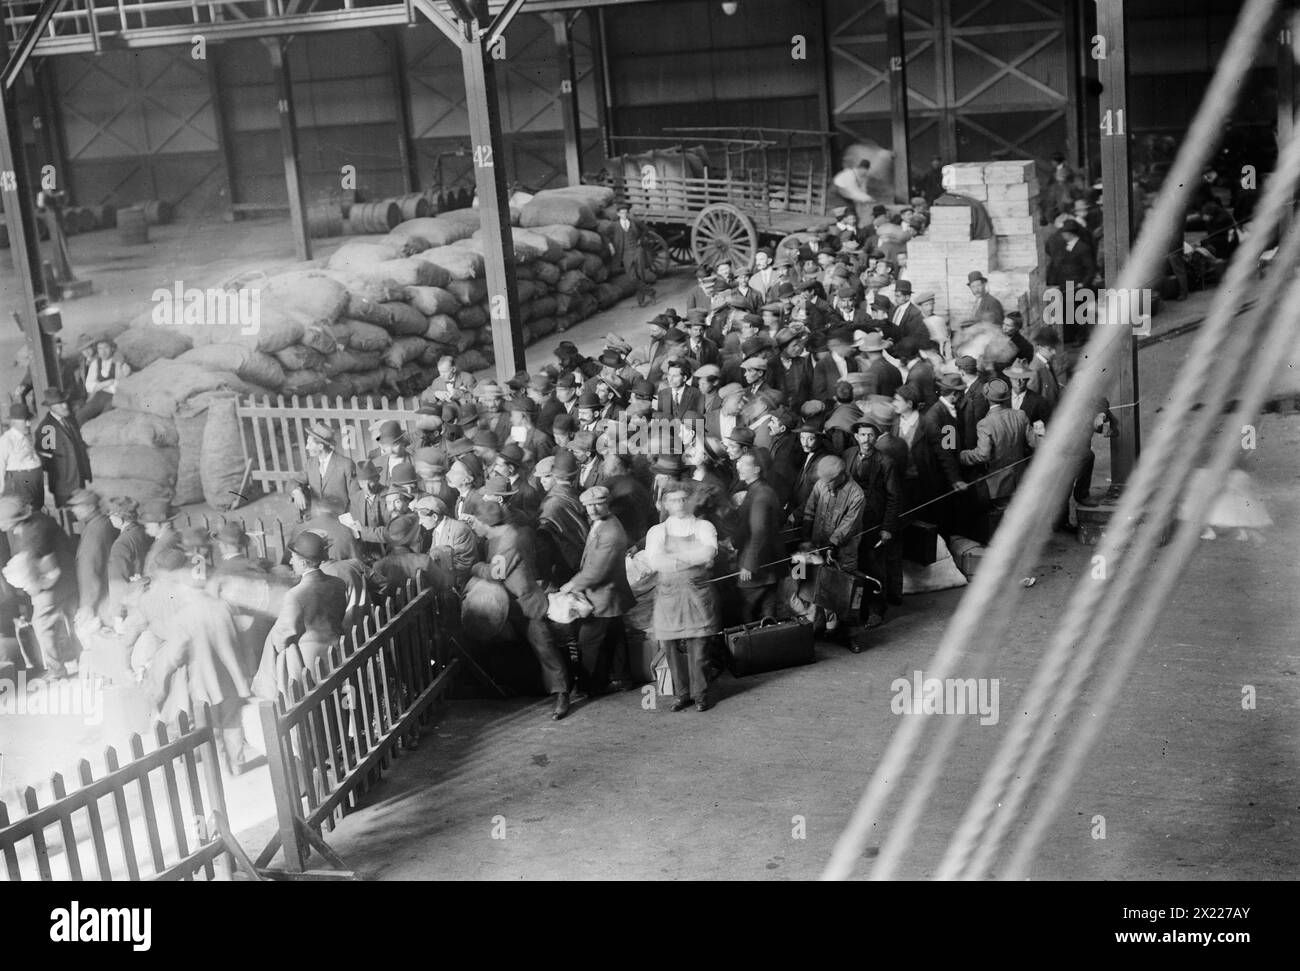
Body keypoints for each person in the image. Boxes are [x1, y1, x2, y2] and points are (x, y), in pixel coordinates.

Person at [469, 500, 571, 719]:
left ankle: (562, 694)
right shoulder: (496, 537)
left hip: (526, 602)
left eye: (474, 522)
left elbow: (496, 572)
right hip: (509, 603)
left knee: (544, 647)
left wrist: (475, 567)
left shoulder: (509, 540)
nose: (473, 527)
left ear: (485, 522)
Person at [644, 482, 720, 712]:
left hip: (697, 594)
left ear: (691, 500)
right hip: (668, 596)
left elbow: (710, 550)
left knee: (699, 649)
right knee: (669, 647)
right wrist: (691, 558)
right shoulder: (657, 531)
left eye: (683, 499)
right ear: (665, 504)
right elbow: (654, 561)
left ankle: (700, 694)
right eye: (673, 500)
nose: (679, 504)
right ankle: (682, 694)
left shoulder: (704, 526)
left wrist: (673, 558)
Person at [558, 486, 634, 696]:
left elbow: (597, 572)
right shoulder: (602, 523)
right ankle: (623, 678)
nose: (591, 509)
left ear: (607, 503)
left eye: (596, 504)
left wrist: (572, 585)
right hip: (611, 595)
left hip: (603, 595)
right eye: (587, 506)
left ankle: (590, 686)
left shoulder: (610, 532)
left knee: (588, 641)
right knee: (615, 635)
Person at [254, 532, 347, 698]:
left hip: (310, 659)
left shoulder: (295, 594)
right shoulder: (338, 584)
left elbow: (284, 634)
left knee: (317, 704)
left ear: (303, 563)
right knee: (337, 699)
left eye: (293, 558)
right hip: (338, 648)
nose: (290, 561)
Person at [0, 495, 81, 677]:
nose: (1, 525)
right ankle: (77, 659)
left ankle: (56, 670)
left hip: (55, 584)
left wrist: (35, 588)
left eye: (2, 522)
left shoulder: (34, 533)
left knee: (42, 624)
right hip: (68, 577)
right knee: (69, 618)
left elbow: (51, 570)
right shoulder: (37, 520)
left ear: (13, 520)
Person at [959, 379, 1037, 510]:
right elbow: (1034, 443)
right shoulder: (1021, 415)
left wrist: (963, 455)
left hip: (998, 488)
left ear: (986, 397)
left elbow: (983, 455)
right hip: (1021, 481)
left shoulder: (985, 423)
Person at [732, 453, 783, 623]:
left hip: (757, 566)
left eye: (744, 464)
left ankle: (753, 645)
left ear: (756, 469)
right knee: (768, 612)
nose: (738, 466)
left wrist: (749, 563)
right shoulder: (762, 490)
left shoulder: (760, 495)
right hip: (770, 562)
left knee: (748, 610)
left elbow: (759, 531)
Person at [67, 487, 117, 630]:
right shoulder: (105, 522)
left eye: (77, 506)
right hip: (110, 588)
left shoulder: (93, 533)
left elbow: (89, 570)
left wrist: (87, 605)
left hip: (101, 597)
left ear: (90, 507)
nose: (73, 510)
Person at [35, 387, 92, 508]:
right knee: (70, 515)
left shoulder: (70, 421)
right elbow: (43, 456)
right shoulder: (47, 428)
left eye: (65, 402)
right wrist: (61, 475)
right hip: (64, 486)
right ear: (51, 407)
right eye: (60, 403)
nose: (65, 406)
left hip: (78, 480)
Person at [292, 422, 356, 516]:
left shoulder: (346, 464)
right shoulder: (311, 463)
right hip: (318, 519)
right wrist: (296, 490)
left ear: (320, 446)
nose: (307, 447)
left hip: (340, 520)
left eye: (310, 444)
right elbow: (294, 481)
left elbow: (356, 497)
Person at [604, 201, 656, 307]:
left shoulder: (634, 222)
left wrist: (641, 240)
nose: (624, 215)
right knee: (632, 279)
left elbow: (645, 229)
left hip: (638, 251)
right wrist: (610, 245)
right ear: (618, 214)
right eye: (622, 213)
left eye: (626, 213)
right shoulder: (614, 225)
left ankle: (641, 301)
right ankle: (650, 292)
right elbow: (604, 234)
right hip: (625, 254)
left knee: (641, 275)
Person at [0, 401, 45, 507]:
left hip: (34, 481)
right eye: (25, 421)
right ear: (14, 422)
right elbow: (0, 465)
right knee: (28, 511)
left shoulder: (24, 437)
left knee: (38, 509)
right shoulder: (6, 440)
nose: (28, 424)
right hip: (22, 482)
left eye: (28, 421)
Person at [77, 339, 130, 424]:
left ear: (112, 349)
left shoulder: (120, 362)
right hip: (100, 395)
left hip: (116, 396)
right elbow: (89, 386)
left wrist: (99, 384)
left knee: (104, 419)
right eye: (100, 349)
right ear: (97, 350)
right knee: (80, 416)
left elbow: (121, 384)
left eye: (106, 348)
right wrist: (107, 383)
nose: (103, 352)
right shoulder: (95, 363)